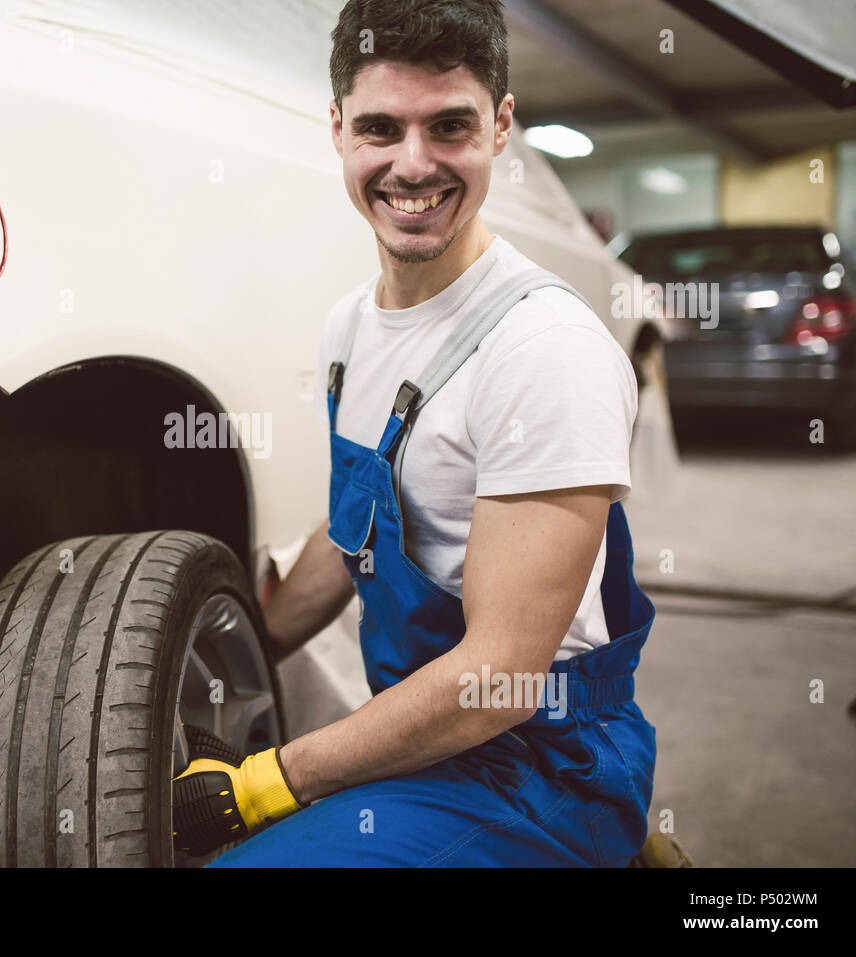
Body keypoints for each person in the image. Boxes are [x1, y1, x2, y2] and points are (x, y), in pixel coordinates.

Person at [171, 0, 656, 867]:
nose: (413, 164)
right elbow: (352, 532)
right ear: (338, 129)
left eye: (450, 126)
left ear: (500, 126)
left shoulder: (544, 350)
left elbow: (497, 680)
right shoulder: (349, 329)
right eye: (381, 128)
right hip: (422, 737)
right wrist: (213, 661)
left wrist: (263, 781)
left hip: (539, 769)